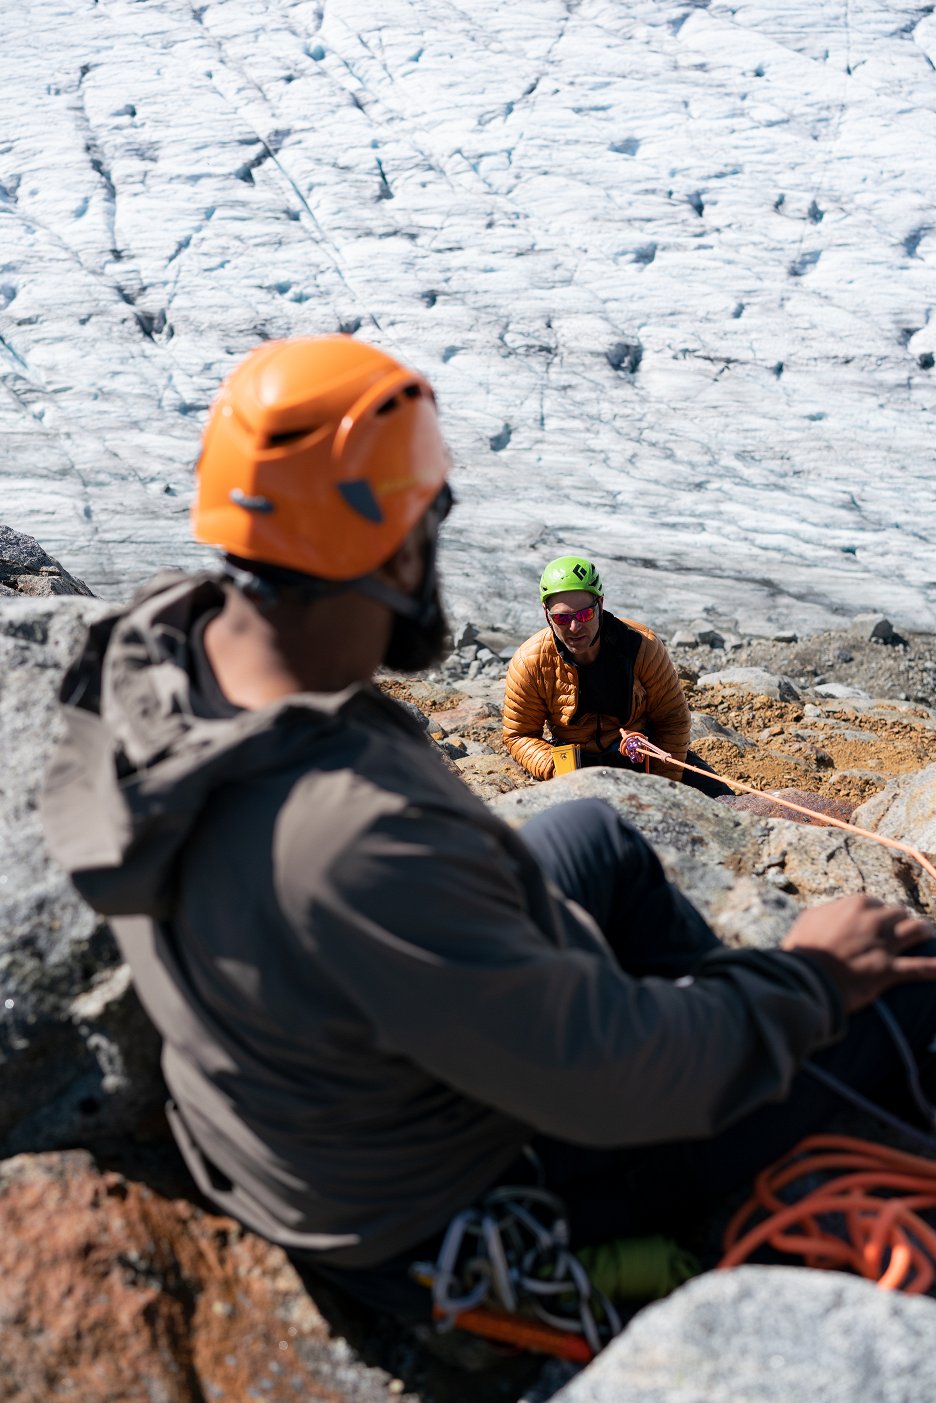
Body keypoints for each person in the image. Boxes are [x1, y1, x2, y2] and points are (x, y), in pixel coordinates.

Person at [42, 335, 936, 1339]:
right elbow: (607, 1079)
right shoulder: (354, 834)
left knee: (597, 835)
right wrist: (811, 983)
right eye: (435, 514)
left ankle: (728, 1056)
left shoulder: (157, 648)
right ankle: (758, 1102)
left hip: (311, 1105)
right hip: (444, 1193)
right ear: (391, 543)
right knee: (904, 992)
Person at [503, 556, 732, 795]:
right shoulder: (531, 662)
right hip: (576, 764)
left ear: (600, 604)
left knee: (724, 801)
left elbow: (671, 719)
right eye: (562, 617)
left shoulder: (641, 646)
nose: (574, 627)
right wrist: (556, 769)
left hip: (640, 753)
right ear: (546, 613)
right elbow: (520, 734)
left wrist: (662, 789)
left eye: (583, 615)